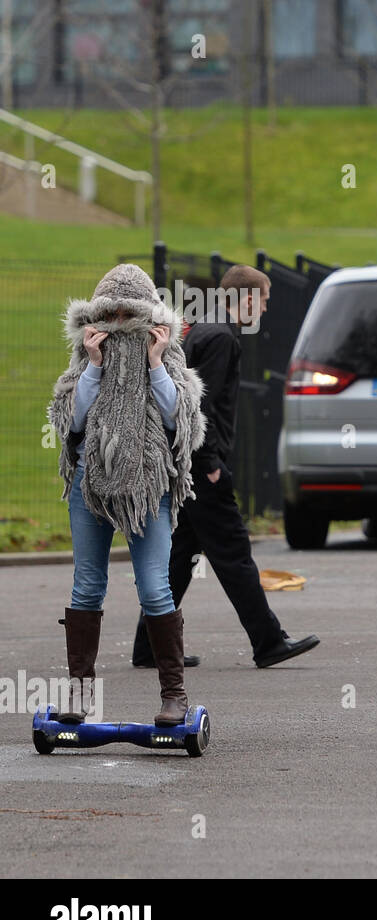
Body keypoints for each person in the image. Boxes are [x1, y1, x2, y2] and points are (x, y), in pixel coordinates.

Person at [130, 265, 320, 670]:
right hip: (202, 468)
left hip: (185, 464)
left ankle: (149, 646)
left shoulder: (208, 328)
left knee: (180, 557)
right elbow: (202, 405)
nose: (265, 309)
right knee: (234, 554)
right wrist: (211, 462)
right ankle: (268, 642)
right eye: (264, 300)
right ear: (246, 298)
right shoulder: (220, 337)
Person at [47, 262, 207, 726]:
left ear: (146, 312)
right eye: (110, 314)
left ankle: (173, 695)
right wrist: (93, 368)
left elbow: (182, 425)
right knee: (87, 585)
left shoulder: (168, 353)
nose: (119, 323)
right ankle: (78, 695)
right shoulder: (86, 355)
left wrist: (155, 363)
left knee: (155, 587)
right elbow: (72, 426)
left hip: (148, 483)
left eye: (127, 313)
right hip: (90, 482)